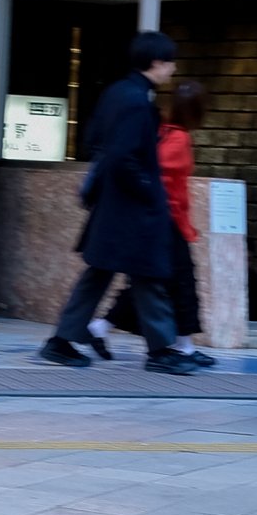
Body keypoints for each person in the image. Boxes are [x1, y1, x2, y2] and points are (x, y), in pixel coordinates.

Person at [38, 33, 197, 377]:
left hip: (115, 206)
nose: (172, 68)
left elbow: (96, 141)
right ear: (156, 63)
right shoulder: (137, 101)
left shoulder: (117, 93)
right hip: (132, 210)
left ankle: (64, 341)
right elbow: (125, 157)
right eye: (169, 61)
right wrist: (148, 190)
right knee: (146, 274)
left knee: (104, 273)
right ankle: (160, 350)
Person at [157, 79, 216, 368]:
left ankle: (100, 327)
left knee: (153, 283)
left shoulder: (164, 132)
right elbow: (174, 190)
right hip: (170, 222)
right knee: (182, 283)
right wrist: (185, 227)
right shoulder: (179, 139)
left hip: (162, 220)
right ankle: (185, 345)